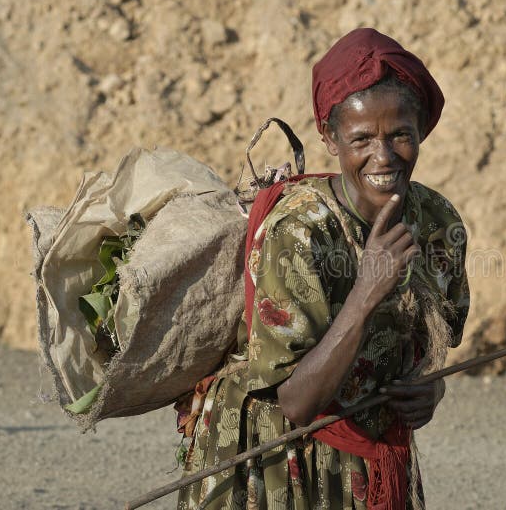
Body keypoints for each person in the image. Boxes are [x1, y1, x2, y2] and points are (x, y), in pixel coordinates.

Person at [178, 28, 470, 510]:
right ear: (330, 139)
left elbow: (433, 343)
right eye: (362, 139)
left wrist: (430, 389)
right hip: (278, 456)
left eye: (401, 134)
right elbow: (297, 403)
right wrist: (367, 291)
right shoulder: (298, 231)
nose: (384, 156)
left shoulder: (437, 222)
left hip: (375, 458)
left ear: (421, 130)